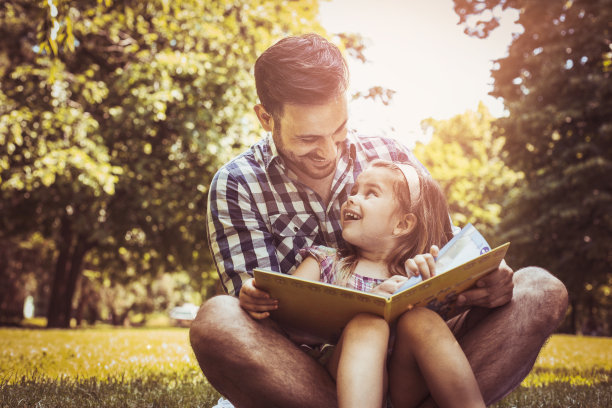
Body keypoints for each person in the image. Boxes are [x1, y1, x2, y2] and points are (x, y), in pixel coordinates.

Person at [190, 33, 568, 408]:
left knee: (540, 289)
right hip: (316, 374)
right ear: (265, 117)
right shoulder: (238, 184)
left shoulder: (389, 157)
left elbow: (449, 251)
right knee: (218, 320)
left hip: (418, 363)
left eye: (338, 130)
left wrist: (489, 279)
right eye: (308, 138)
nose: (328, 152)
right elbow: (264, 325)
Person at [240, 159, 486, 408]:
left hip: (405, 388)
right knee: (368, 325)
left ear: (402, 224)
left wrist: (424, 282)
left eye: (371, 193)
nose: (352, 198)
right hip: (337, 385)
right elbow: (283, 318)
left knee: (422, 320)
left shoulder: (416, 271)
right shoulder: (324, 262)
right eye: (355, 190)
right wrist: (254, 293)